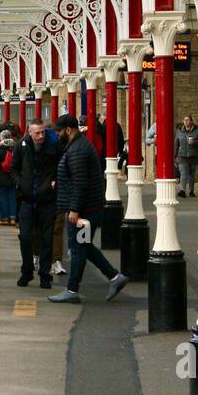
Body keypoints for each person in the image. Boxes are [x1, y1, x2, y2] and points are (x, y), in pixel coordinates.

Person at [48, 113, 129, 304]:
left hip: (85, 212)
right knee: (84, 246)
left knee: (78, 249)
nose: (57, 135)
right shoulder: (78, 145)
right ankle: (115, 277)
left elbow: (80, 182)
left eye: (59, 131)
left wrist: (74, 210)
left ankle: (72, 289)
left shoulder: (77, 150)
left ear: (67, 130)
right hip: (89, 209)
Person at [11, 121, 62, 288]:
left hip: (47, 200)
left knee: (47, 238)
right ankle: (27, 271)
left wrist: (54, 181)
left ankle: (44, 275)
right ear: (29, 133)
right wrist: (20, 183)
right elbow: (14, 168)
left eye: (43, 132)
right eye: (37, 133)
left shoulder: (54, 146)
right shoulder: (21, 147)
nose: (41, 136)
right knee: (25, 236)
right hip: (27, 200)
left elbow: (60, 167)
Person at [0, 128, 19, 224]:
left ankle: (4, 218)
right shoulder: (16, 148)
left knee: (2, 197)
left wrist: (1, 165)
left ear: (1, 138)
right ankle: (12, 218)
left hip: (1, 177)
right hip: (13, 177)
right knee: (12, 197)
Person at [174, 114, 198, 198]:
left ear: (191, 121)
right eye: (184, 120)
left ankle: (191, 191)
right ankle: (182, 190)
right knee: (183, 173)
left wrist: (194, 142)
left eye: (188, 120)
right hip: (182, 156)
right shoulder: (179, 131)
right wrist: (174, 156)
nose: (186, 122)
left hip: (193, 155)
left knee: (191, 174)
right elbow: (176, 144)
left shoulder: (197, 131)